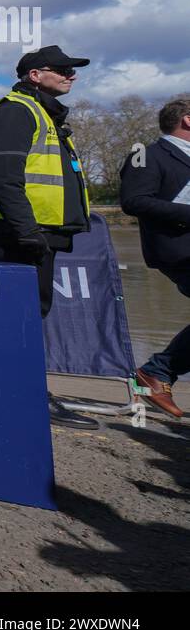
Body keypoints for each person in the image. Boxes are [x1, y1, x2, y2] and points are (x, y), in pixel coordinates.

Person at [0, 44, 97, 429]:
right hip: (19, 235)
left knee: (25, 315)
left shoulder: (46, 114)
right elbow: (4, 177)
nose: (71, 75)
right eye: (61, 69)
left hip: (36, 233)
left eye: (72, 70)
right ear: (34, 75)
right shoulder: (16, 111)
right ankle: (24, 394)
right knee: (19, 316)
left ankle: (14, 390)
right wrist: (27, 231)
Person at [120, 97, 190, 418]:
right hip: (179, 250)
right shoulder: (144, 154)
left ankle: (156, 372)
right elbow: (134, 201)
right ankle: (156, 371)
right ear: (187, 120)